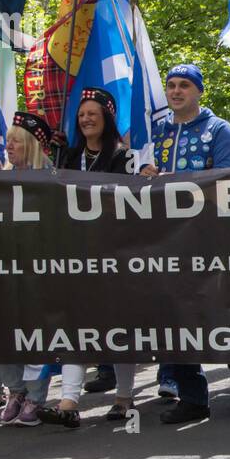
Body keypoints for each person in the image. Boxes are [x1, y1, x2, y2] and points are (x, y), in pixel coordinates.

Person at [138, 66, 230, 423]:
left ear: (199, 91)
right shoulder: (154, 133)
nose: (176, 91)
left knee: (219, 307)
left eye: (185, 85)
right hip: (166, 240)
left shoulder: (219, 130)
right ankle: (193, 395)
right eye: (171, 85)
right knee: (175, 314)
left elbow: (228, 180)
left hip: (211, 238)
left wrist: (181, 181)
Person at [51, 89, 138, 424]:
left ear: (107, 117)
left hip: (114, 253)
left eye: (93, 113)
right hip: (77, 256)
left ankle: (124, 396)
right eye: (81, 114)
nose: (86, 119)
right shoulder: (68, 156)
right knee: (77, 324)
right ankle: (69, 402)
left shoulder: (121, 156)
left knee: (119, 326)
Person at [0, 112, 61, 426]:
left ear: (31, 144)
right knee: (1, 333)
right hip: (3, 269)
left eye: (16, 140)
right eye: (8, 140)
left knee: (35, 337)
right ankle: (14, 390)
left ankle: (35, 396)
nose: (9, 146)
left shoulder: (52, 177)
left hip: (39, 270)